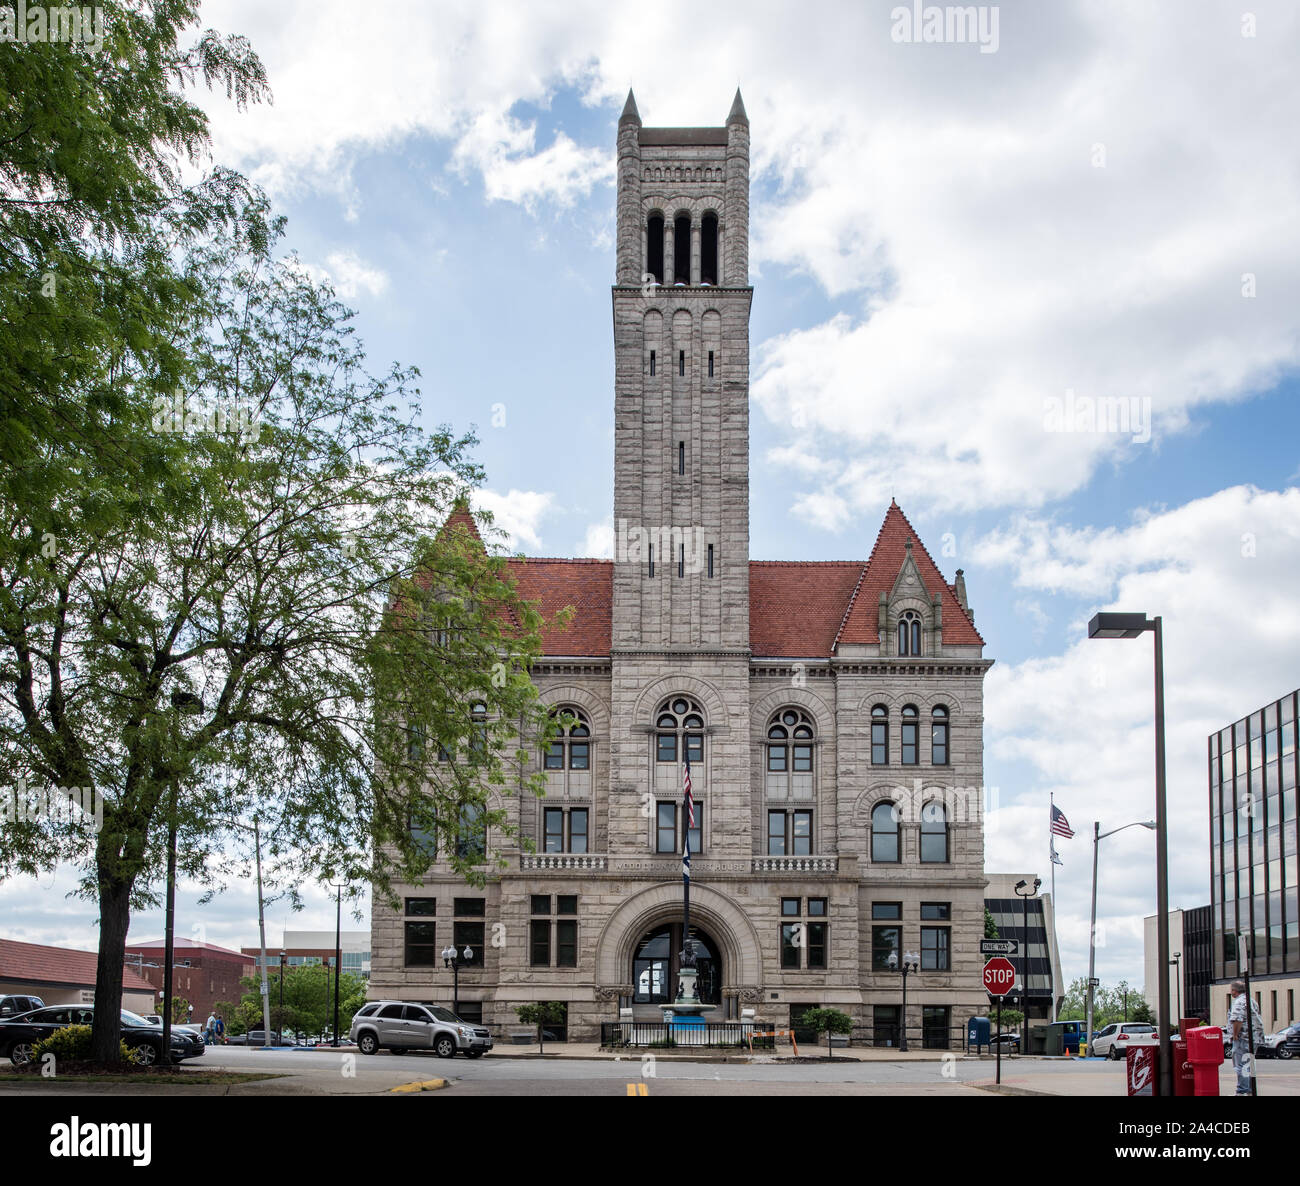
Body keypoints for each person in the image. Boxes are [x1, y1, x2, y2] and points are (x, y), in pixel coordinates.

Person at [1228, 981, 1264, 1096]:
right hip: (1255, 1037)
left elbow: (1238, 1019)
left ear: (1234, 991)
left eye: (1231, 989)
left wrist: (1234, 1035)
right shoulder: (1251, 1000)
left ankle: (1241, 1091)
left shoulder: (1238, 1002)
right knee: (1249, 1065)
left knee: (1241, 1066)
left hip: (1243, 1037)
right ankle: (1250, 1090)